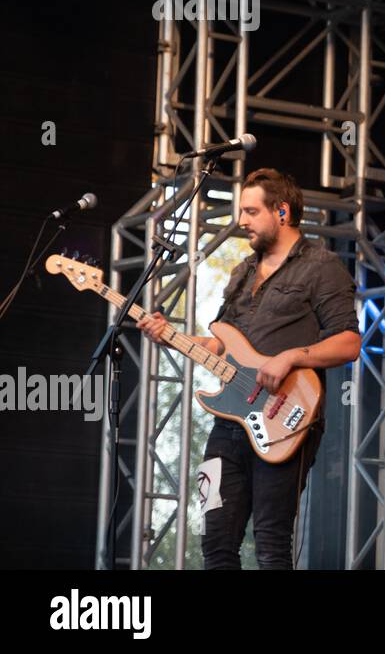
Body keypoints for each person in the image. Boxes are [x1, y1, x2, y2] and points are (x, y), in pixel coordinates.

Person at [137, 168, 360, 569]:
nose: (241, 221)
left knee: (272, 544)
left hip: (286, 418)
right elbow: (221, 345)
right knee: (214, 541)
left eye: (250, 211)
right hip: (228, 426)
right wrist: (168, 333)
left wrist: (292, 356)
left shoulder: (322, 267)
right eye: (241, 211)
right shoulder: (241, 273)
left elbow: (349, 342)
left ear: (282, 212)